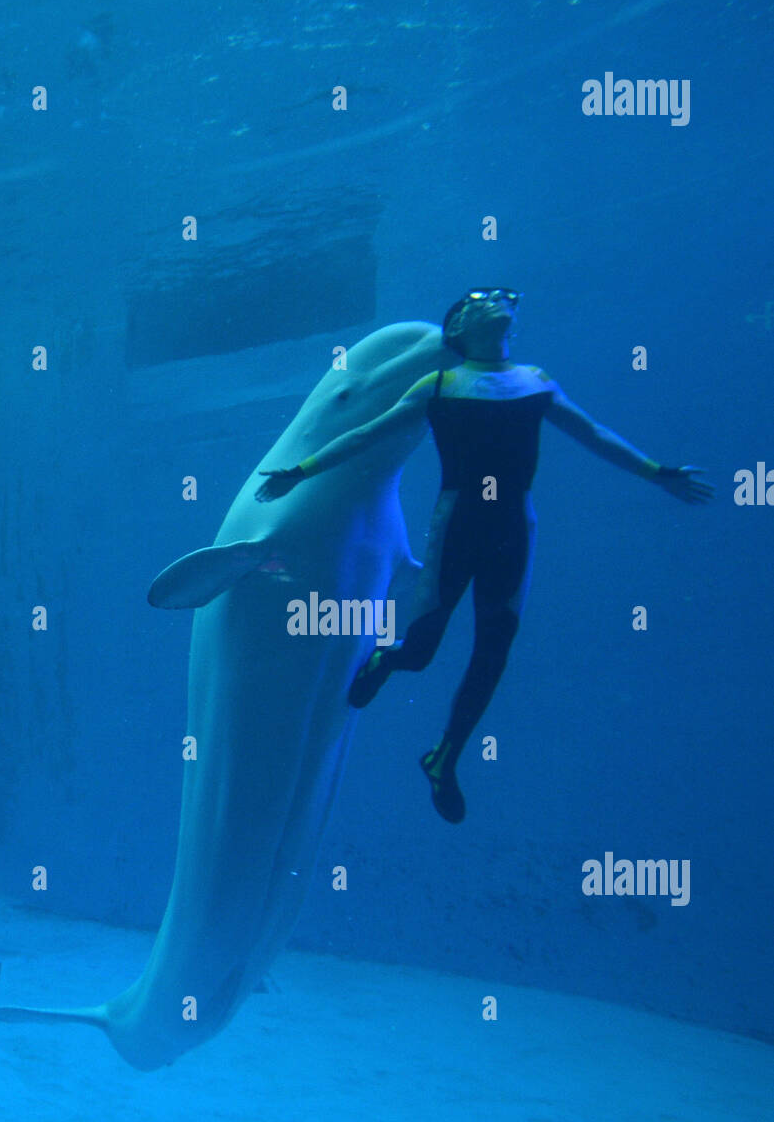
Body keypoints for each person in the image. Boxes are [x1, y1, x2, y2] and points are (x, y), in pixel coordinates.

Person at [256, 289, 714, 822]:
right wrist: (300, 471)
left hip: (514, 526)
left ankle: (444, 756)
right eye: (481, 298)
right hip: (459, 526)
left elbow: (593, 434)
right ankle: (389, 656)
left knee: (495, 647)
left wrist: (658, 472)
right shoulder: (440, 384)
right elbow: (365, 433)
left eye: (504, 297)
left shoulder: (536, 382)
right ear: (458, 326)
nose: (497, 301)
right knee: (424, 647)